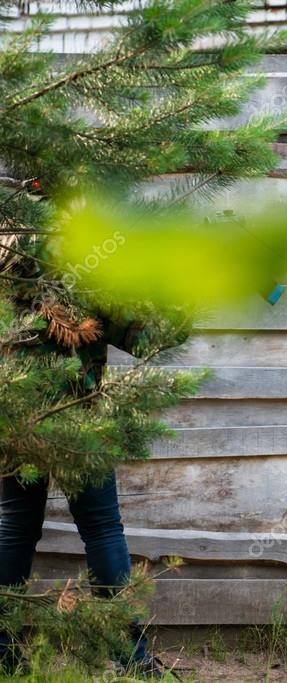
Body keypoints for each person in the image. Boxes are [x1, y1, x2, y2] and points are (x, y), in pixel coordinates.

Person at [0, 234, 177, 677]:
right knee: (101, 531)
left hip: (16, 415)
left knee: (14, 530)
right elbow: (147, 335)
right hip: (80, 418)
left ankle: (2, 650)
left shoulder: (7, 243)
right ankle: (130, 659)